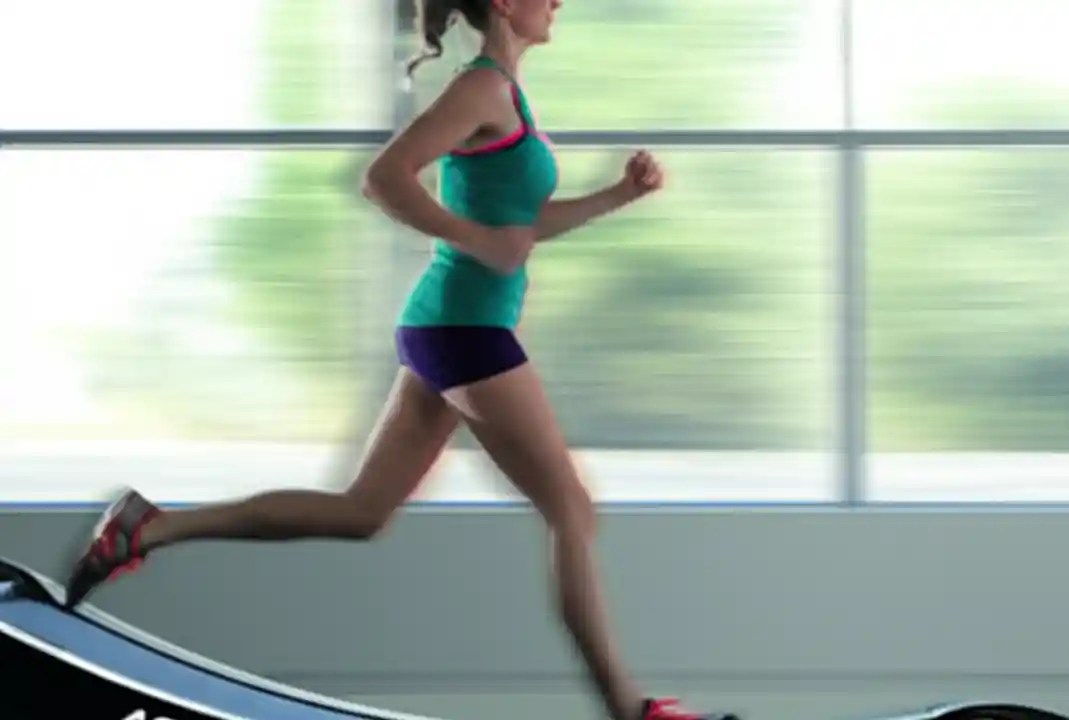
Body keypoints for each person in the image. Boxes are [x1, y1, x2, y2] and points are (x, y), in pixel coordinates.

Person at [62, 1, 739, 720]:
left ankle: (148, 528)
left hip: (446, 330)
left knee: (362, 512)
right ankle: (629, 711)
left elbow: (517, 226)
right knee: (571, 508)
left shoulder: (506, 94)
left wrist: (617, 196)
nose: (559, 1)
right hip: (466, 332)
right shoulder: (480, 88)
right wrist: (471, 240)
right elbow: (386, 178)